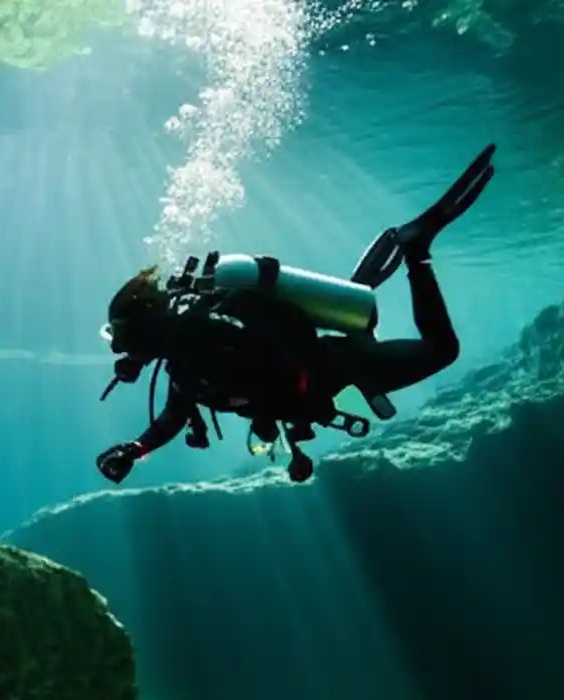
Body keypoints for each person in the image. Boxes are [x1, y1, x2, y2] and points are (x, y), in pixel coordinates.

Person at [96, 143, 496, 483]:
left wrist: (315, 394)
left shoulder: (203, 339)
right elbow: (173, 416)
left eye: (126, 341)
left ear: (148, 330)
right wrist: (135, 449)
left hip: (340, 368)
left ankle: (416, 253)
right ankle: (369, 287)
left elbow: (294, 334)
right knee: (376, 335)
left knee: (442, 351)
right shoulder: (185, 358)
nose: (125, 355)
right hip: (329, 375)